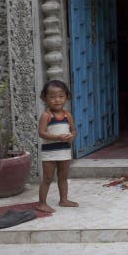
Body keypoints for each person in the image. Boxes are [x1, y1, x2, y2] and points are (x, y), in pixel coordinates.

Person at [37, 80, 78, 213]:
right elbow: (41, 133)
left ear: (67, 97)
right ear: (45, 98)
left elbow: (74, 131)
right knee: (48, 178)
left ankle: (63, 200)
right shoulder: (46, 116)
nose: (57, 100)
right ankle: (42, 203)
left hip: (64, 152)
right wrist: (58, 137)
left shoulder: (68, 115)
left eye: (61, 96)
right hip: (49, 153)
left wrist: (71, 136)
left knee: (63, 177)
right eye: (52, 97)